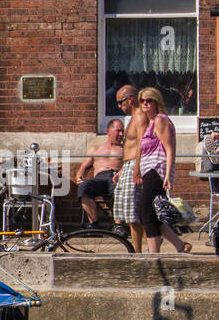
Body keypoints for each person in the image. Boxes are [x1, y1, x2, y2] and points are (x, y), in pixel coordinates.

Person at [134, 87, 189, 254]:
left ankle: (154, 254)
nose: (145, 103)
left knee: (148, 214)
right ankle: (179, 245)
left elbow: (169, 149)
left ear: (156, 102)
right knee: (150, 214)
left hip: (156, 171)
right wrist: (136, 169)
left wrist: (168, 176)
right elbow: (141, 150)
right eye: (142, 100)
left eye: (148, 100)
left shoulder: (160, 120)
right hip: (148, 171)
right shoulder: (149, 123)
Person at [74, 120, 125, 228]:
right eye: (118, 131)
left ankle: (118, 226)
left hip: (117, 177)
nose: (121, 134)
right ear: (108, 131)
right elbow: (84, 167)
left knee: (121, 188)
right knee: (84, 187)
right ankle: (94, 224)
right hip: (99, 178)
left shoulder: (125, 149)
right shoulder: (95, 149)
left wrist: (120, 173)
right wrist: (79, 177)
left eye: (122, 132)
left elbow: (129, 164)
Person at [114, 85, 147, 252]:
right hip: (129, 165)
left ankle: (140, 250)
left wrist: (137, 167)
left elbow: (142, 143)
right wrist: (122, 168)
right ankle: (141, 248)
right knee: (130, 213)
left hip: (135, 164)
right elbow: (130, 146)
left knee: (134, 212)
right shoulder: (132, 118)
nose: (119, 107)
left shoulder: (140, 115)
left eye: (121, 102)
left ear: (130, 99)